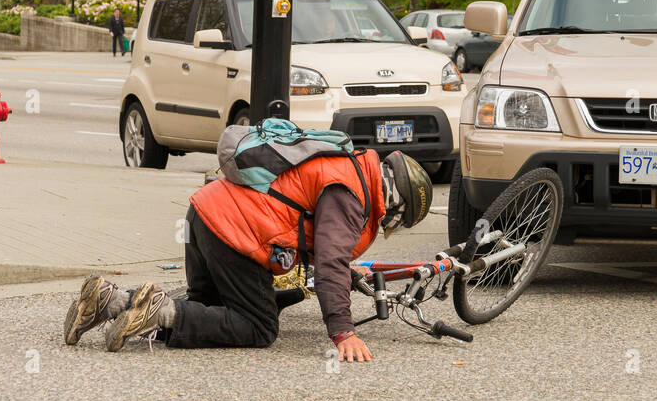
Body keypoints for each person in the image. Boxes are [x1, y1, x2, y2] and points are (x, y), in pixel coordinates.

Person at [62, 147, 433, 361]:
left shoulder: (344, 165)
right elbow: (331, 259)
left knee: (206, 310)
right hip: (235, 231)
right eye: (397, 221)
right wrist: (343, 332)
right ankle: (158, 310)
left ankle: (111, 301)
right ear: (398, 203)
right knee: (258, 327)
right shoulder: (353, 192)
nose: (390, 227)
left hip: (205, 213)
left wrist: (340, 275)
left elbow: (315, 239)